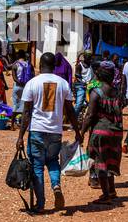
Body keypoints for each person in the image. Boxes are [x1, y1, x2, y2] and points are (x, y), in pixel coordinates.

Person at [15, 51, 80, 213]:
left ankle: (41, 203)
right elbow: (70, 110)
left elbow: (27, 112)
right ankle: (56, 185)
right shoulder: (63, 83)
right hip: (55, 132)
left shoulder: (32, 83)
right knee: (52, 162)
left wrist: (20, 136)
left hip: (37, 130)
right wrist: (77, 131)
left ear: (39, 65)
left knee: (37, 166)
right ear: (55, 65)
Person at [77, 60, 124, 203]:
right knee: (110, 161)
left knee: (100, 163)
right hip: (116, 132)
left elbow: (90, 115)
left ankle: (106, 196)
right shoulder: (116, 92)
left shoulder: (96, 92)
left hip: (101, 131)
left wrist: (82, 132)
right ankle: (112, 190)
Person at [11, 50, 32, 122]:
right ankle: (23, 123)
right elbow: (32, 76)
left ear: (17, 56)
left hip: (17, 86)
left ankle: (12, 124)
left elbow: (14, 78)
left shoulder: (15, 64)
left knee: (15, 105)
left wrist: (20, 82)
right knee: (25, 105)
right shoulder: (29, 64)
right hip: (27, 87)